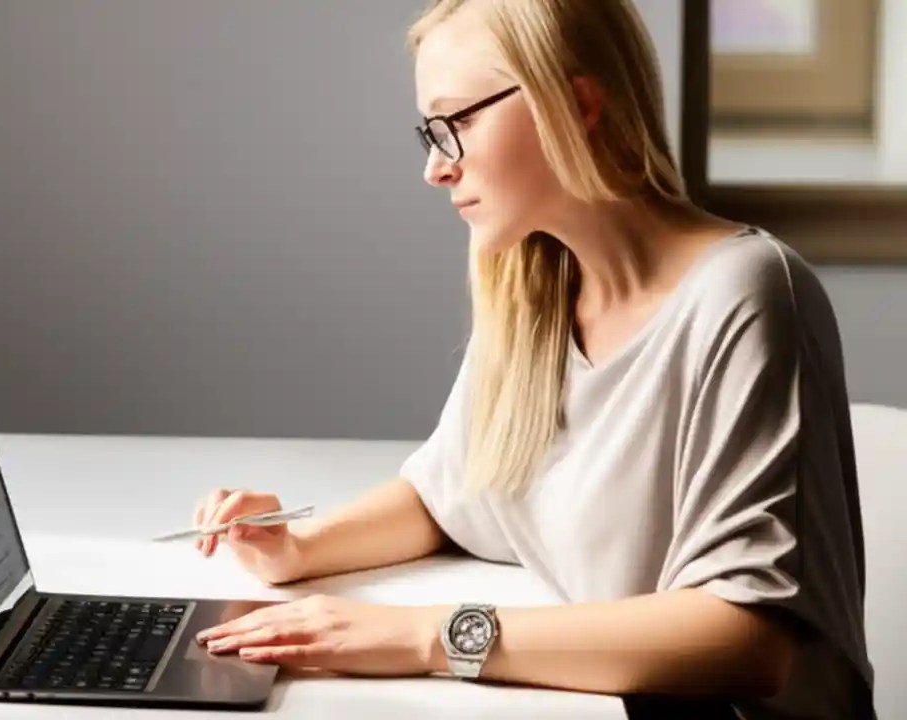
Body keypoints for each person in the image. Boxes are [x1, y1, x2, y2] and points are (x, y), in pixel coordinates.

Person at [188, 0, 875, 718]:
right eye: (431, 130)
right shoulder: (537, 287)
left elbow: (748, 638)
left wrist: (429, 636)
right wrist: (299, 548)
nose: (435, 167)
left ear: (576, 104)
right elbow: (454, 493)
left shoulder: (750, 293)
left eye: (459, 122)